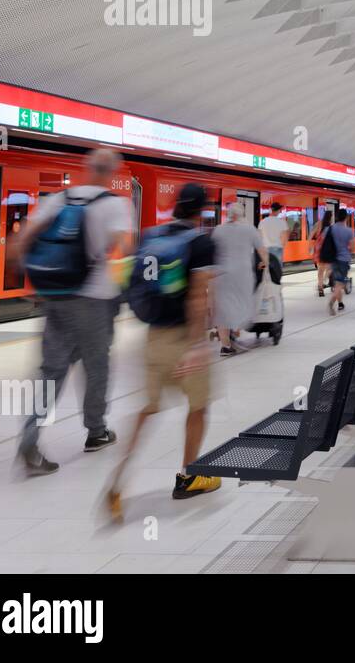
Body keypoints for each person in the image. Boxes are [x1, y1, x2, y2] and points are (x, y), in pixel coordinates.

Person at [12, 148, 132, 475]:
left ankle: (30, 436)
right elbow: (124, 245)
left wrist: (35, 280)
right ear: (112, 172)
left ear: (86, 167)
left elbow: (23, 239)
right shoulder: (115, 204)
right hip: (94, 299)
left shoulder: (59, 199)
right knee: (96, 365)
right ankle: (96, 431)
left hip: (56, 296)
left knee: (52, 369)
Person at [106, 182, 217, 517]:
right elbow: (198, 298)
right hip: (184, 337)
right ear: (202, 209)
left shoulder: (150, 236)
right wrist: (197, 346)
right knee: (198, 407)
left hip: (154, 336)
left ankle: (118, 482)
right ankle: (189, 476)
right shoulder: (200, 242)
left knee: (148, 409)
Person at [212, 203, 266, 355]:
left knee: (223, 308)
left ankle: (225, 345)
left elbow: (212, 250)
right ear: (241, 214)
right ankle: (235, 331)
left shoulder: (218, 229)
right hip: (242, 274)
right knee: (242, 304)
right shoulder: (249, 229)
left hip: (221, 274)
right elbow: (262, 250)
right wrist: (265, 264)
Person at [327, 208, 354, 316]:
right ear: (346, 217)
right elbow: (353, 247)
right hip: (343, 259)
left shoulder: (331, 229)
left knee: (337, 282)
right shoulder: (348, 231)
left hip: (333, 259)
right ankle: (332, 302)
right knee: (339, 284)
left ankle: (340, 303)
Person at [258, 202, 289, 276]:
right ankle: (275, 285)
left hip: (265, 249)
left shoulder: (262, 222)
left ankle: (266, 285)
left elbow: (259, 237)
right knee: (276, 271)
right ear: (278, 210)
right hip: (277, 249)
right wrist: (282, 246)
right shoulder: (282, 222)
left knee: (266, 270)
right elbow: (284, 238)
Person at [311, 209, 333, 297]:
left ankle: (320, 288)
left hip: (318, 249)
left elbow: (311, 234)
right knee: (330, 268)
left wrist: (310, 247)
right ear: (330, 217)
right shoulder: (331, 227)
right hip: (327, 249)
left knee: (320, 270)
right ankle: (323, 281)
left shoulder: (319, 224)